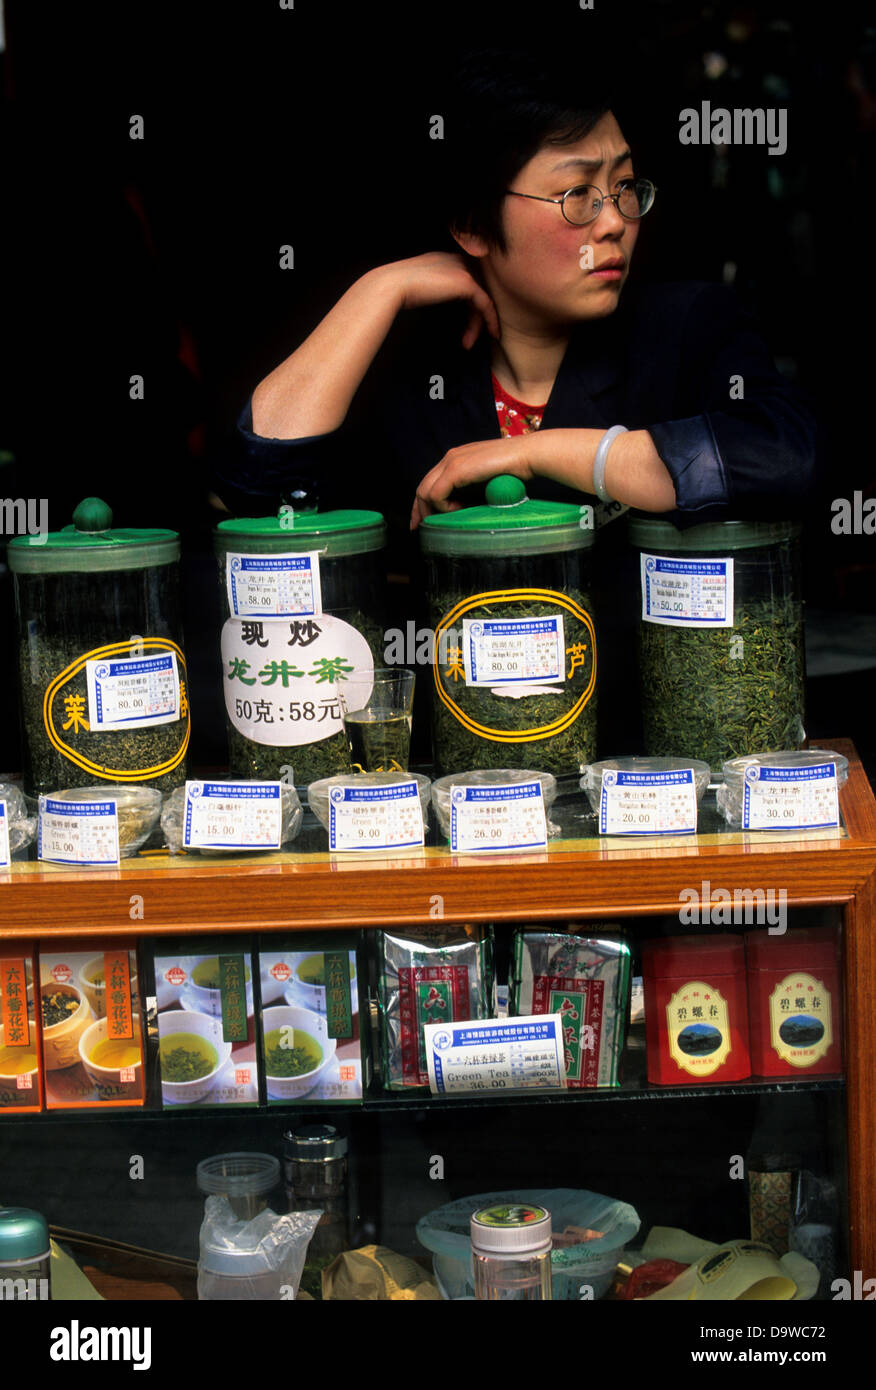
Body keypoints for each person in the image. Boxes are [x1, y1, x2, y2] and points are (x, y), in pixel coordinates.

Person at [219, 47, 818, 540]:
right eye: (577, 195)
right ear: (474, 226)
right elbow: (261, 503)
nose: (613, 222)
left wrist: (539, 453)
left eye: (624, 185)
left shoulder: (689, 328)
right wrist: (379, 289)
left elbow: (784, 459)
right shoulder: (414, 373)